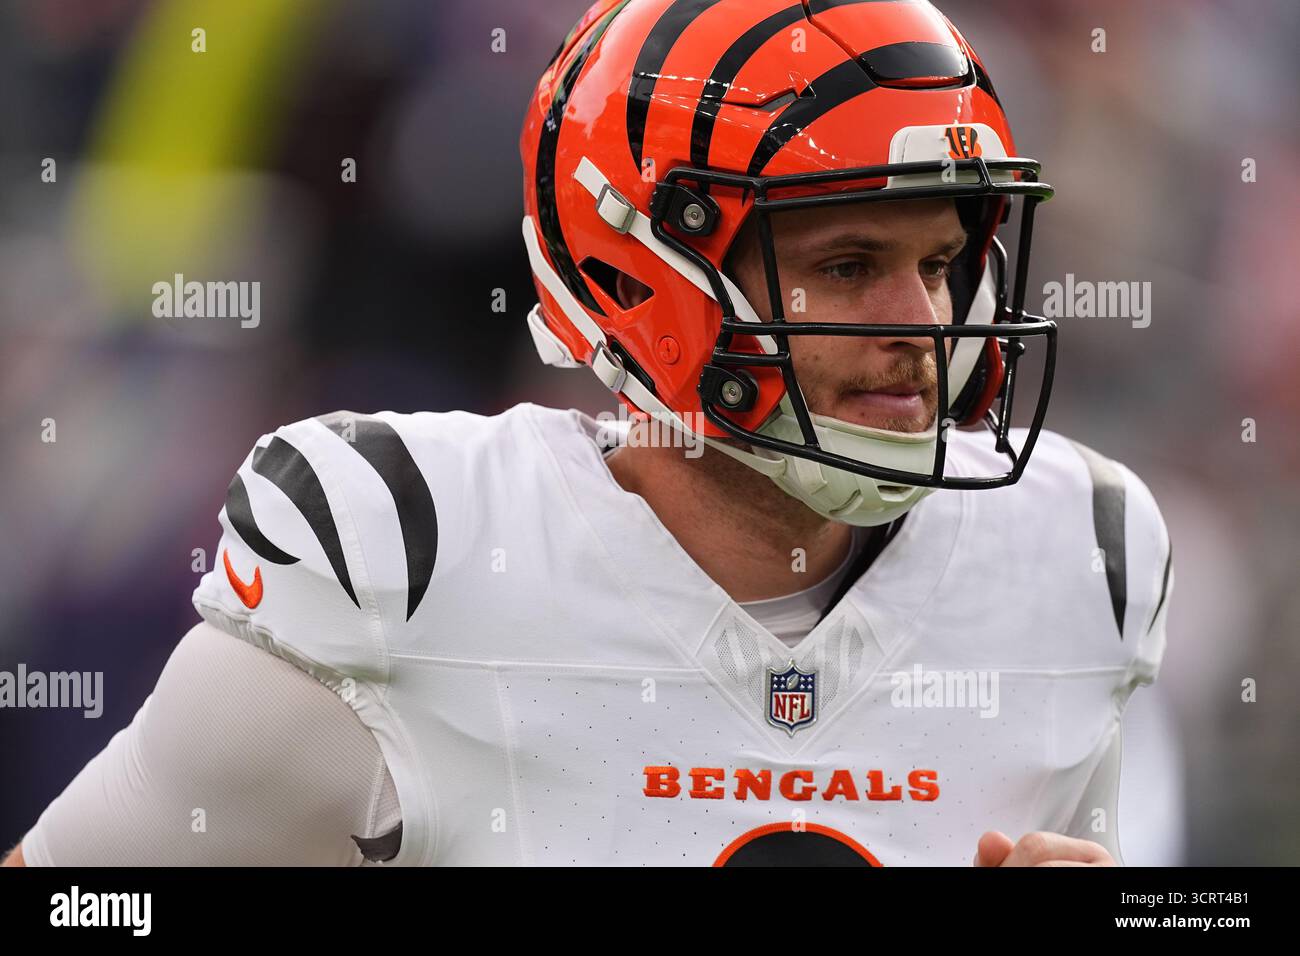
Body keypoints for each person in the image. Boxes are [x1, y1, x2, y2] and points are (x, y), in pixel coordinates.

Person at [7, 0, 1171, 867]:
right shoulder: (400, 558)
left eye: (940, 263)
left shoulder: (1078, 556)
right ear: (640, 271)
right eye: (849, 265)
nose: (923, 326)